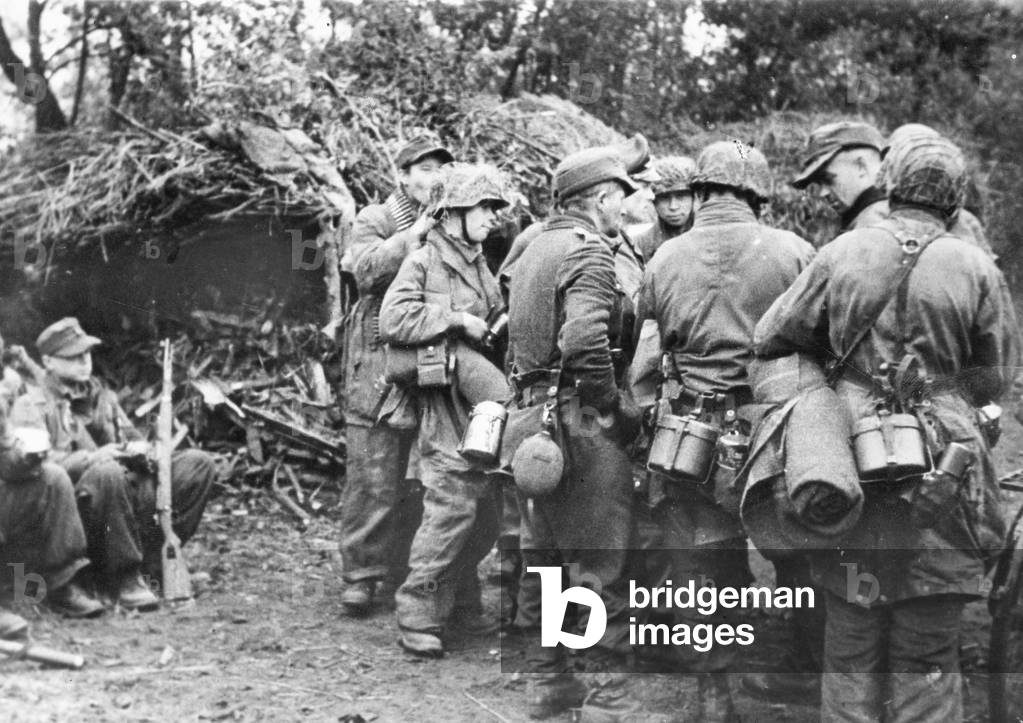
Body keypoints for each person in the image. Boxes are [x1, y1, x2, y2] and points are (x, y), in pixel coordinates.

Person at [754, 134, 1020, 722]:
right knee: (927, 656)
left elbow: (771, 337)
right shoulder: (975, 265)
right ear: (955, 199)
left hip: (852, 459)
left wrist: (832, 389)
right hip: (945, 470)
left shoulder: (844, 250)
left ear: (891, 184)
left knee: (850, 645)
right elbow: (994, 379)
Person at [635, 140, 815, 718]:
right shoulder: (794, 251)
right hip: (774, 426)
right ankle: (805, 666)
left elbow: (645, 351)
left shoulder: (664, 258)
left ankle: (715, 691)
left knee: (700, 556)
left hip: (690, 429)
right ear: (757, 194)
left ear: (700, 192)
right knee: (796, 543)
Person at [507, 148, 643, 721]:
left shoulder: (532, 249)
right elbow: (585, 342)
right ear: (602, 198)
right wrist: (612, 407)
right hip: (578, 422)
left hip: (532, 423)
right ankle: (606, 697)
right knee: (599, 562)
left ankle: (547, 683)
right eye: (620, 197)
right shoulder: (589, 251)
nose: (623, 208)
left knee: (545, 558)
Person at [379, 162, 513, 657]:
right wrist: (455, 320)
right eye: (483, 207)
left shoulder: (477, 262)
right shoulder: (424, 260)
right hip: (442, 401)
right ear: (452, 212)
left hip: (477, 402)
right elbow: (393, 319)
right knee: (451, 507)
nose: (492, 217)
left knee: (485, 516)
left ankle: (455, 601)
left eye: (494, 208)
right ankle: (418, 613)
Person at [10, 318, 216, 611]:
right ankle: (123, 579)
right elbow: (36, 468)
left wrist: (146, 451)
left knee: (197, 464)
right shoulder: (32, 404)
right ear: (48, 362)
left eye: (86, 353)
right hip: (74, 515)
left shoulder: (101, 395)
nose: (84, 361)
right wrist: (95, 457)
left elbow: (132, 437)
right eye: (73, 356)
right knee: (107, 472)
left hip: (121, 500)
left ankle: (155, 564)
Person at [337, 135, 454, 615]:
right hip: (376, 363)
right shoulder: (376, 218)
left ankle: (406, 570)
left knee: (420, 476)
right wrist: (415, 236)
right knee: (374, 474)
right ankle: (362, 575)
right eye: (424, 169)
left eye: (441, 169)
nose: (434, 178)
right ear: (402, 177)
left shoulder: (450, 218)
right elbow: (364, 271)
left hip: (425, 357)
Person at [791, 121, 888, 232]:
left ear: (861, 167)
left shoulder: (870, 226)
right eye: (819, 183)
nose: (823, 193)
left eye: (829, 179)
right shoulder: (886, 215)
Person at [629, 155, 696, 260]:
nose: (673, 206)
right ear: (654, 201)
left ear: (693, 197)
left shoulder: (710, 237)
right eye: (664, 198)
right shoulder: (638, 245)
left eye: (680, 196)